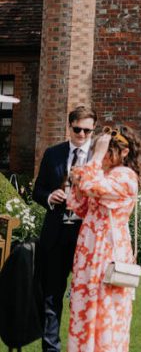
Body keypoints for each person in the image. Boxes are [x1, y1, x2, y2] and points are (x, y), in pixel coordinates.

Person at [65, 126, 141, 352]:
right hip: (89, 247)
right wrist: (76, 181)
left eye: (107, 151)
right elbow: (77, 205)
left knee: (105, 306)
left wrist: (94, 158)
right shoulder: (103, 173)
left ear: (124, 152)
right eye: (101, 151)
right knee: (85, 305)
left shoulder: (125, 176)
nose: (102, 156)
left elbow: (91, 185)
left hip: (107, 249)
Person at [32, 105, 96, 352]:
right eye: (77, 129)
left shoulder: (98, 159)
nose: (81, 135)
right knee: (51, 295)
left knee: (86, 296)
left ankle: (84, 346)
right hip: (56, 235)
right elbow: (38, 190)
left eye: (87, 131)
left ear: (93, 130)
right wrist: (50, 197)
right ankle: (51, 348)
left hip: (86, 237)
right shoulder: (53, 154)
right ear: (69, 127)